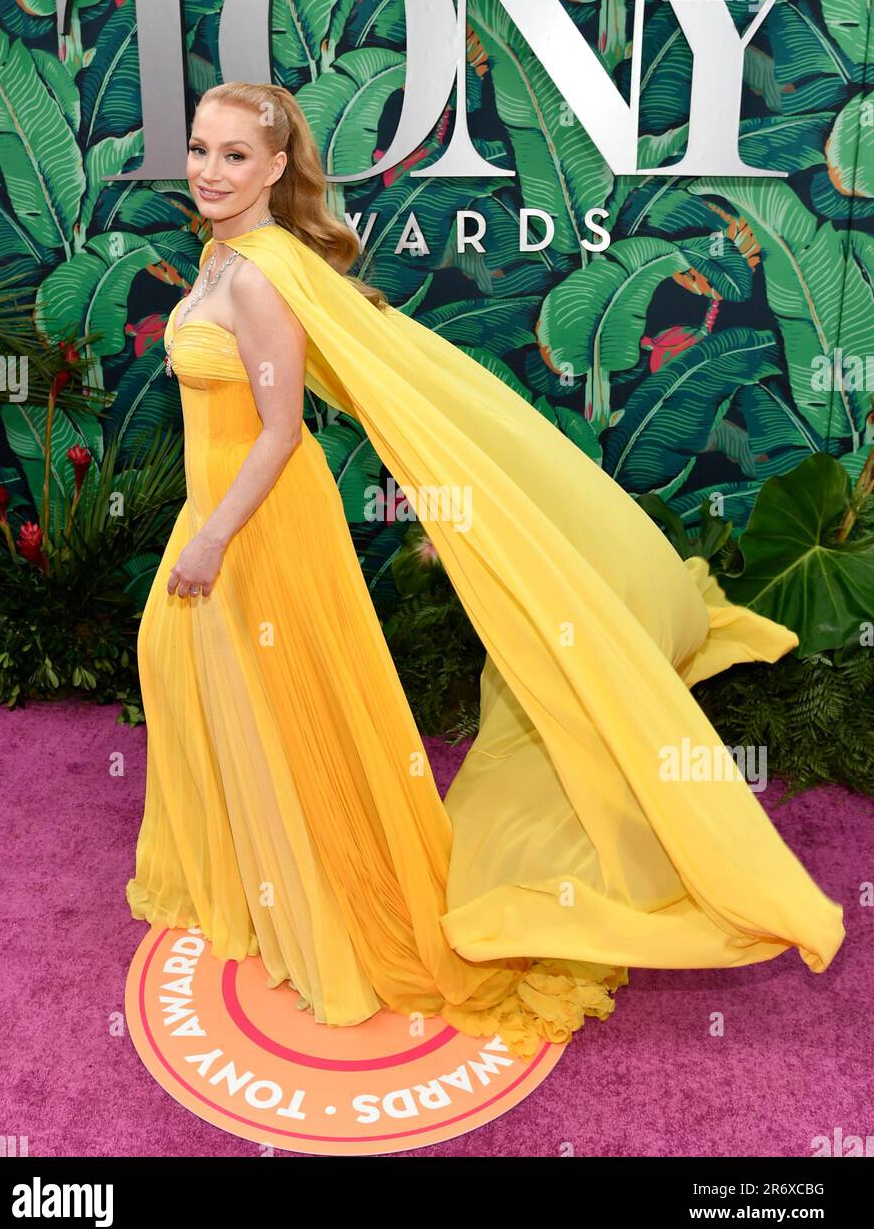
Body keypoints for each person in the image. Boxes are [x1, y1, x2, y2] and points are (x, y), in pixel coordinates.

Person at [126, 81, 845, 1062]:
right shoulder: (220, 256)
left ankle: (331, 907)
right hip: (215, 520)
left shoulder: (261, 277)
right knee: (215, 685)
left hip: (256, 524)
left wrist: (214, 536)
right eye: (200, 150)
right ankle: (272, 890)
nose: (209, 172)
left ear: (278, 168)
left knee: (282, 700)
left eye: (234, 157)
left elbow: (283, 432)